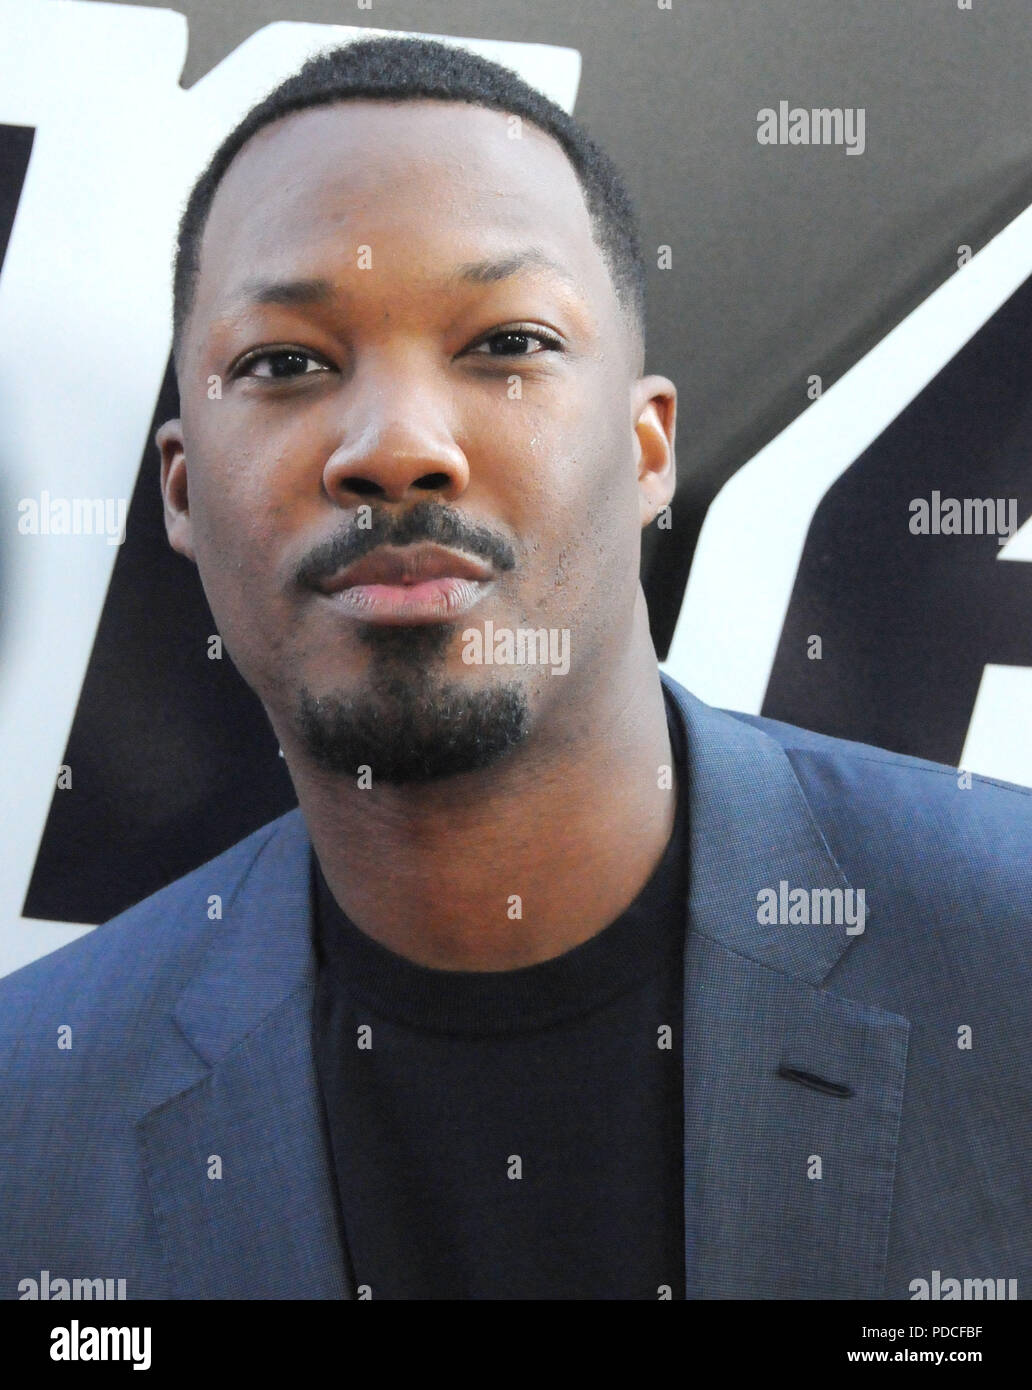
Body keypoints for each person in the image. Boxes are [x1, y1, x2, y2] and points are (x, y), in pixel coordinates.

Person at [2, 35, 1030, 1302]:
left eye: (506, 343)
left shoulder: (1007, 957)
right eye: (285, 363)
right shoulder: (32, 1108)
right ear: (179, 489)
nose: (396, 448)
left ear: (650, 449)